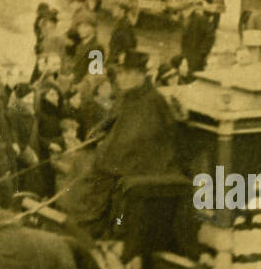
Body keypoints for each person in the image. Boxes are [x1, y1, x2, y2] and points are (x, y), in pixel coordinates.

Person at [61, 51, 180, 239]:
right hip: (117, 157)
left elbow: (136, 140)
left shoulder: (152, 102)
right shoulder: (127, 96)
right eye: (119, 73)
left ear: (140, 74)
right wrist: (97, 131)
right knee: (79, 163)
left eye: (126, 73)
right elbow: (112, 119)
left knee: (93, 177)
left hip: (144, 165)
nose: (120, 78)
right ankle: (71, 215)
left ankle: (91, 227)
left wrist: (105, 152)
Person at [179, 0, 219, 74]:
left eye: (184, 10)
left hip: (197, 54)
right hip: (187, 53)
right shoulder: (184, 19)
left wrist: (202, 52)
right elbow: (184, 38)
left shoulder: (200, 19)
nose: (182, 13)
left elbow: (210, 36)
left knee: (196, 73)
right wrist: (183, 54)